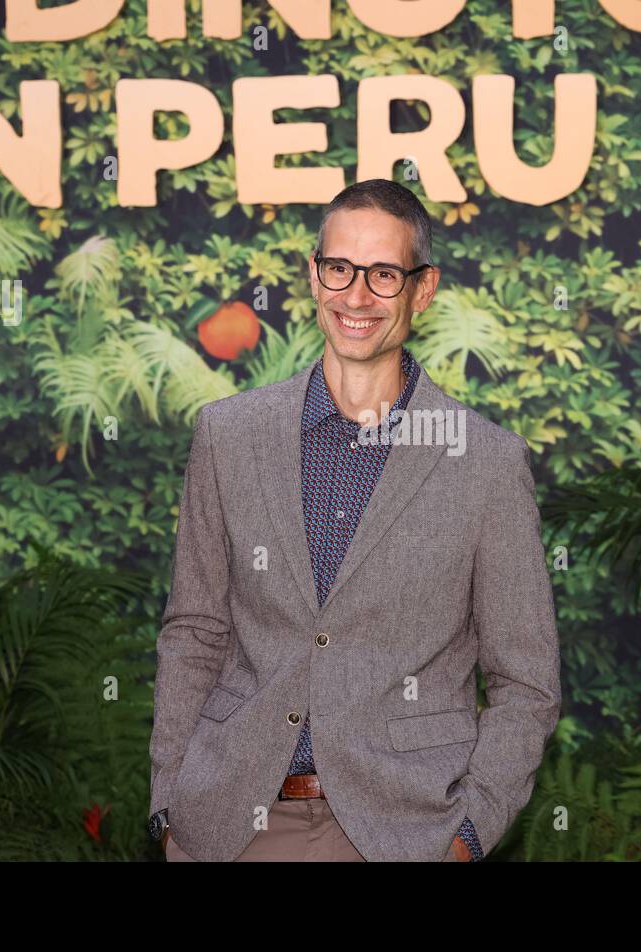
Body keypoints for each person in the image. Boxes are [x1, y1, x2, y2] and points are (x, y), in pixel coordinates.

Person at [148, 178, 561, 861]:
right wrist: (170, 804)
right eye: (340, 268)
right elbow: (194, 631)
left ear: (421, 290)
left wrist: (468, 833)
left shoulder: (486, 461)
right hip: (233, 826)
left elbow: (526, 681)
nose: (357, 295)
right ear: (314, 276)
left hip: (402, 831)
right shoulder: (229, 435)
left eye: (383, 274)